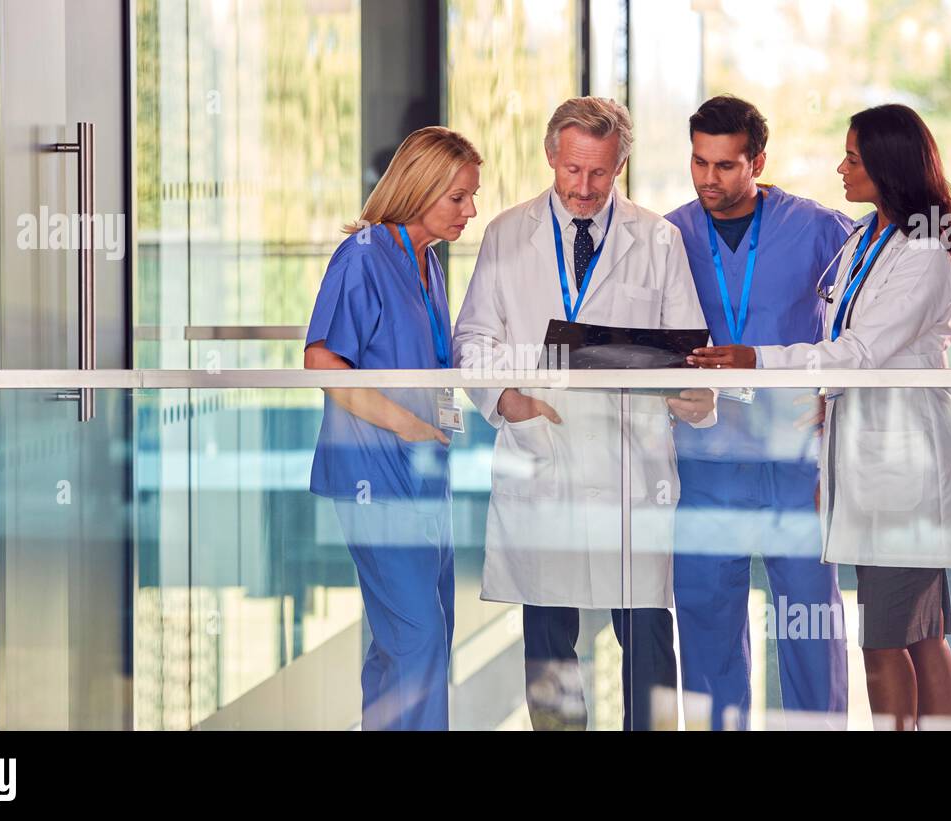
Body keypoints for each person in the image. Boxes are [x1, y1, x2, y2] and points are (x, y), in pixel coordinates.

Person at [688, 104, 951, 731]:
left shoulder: (927, 249)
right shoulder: (867, 237)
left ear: (887, 166)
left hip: (906, 457)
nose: (840, 168)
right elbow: (842, 330)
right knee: (910, 630)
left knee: (897, 636)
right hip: (860, 451)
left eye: (853, 158)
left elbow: (861, 351)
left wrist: (755, 359)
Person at [454, 96, 713, 731]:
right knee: (548, 640)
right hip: (545, 456)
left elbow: (686, 349)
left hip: (633, 462)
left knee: (647, 637)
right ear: (551, 156)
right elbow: (473, 341)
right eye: (572, 170)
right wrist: (506, 402)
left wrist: (691, 394)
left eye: (600, 173)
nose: (584, 188)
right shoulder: (506, 235)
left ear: (620, 165)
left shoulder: (657, 237)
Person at [665, 95, 852, 730]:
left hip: (794, 453)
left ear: (758, 162)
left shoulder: (819, 227)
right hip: (704, 457)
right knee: (707, 616)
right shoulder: (668, 235)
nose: (708, 179)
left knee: (809, 619)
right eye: (698, 163)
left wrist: (838, 394)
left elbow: (864, 319)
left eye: (724, 165)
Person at [304, 126, 482, 731]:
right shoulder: (362, 256)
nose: (471, 210)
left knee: (406, 639)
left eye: (472, 196)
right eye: (457, 197)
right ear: (420, 188)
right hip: (372, 476)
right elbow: (324, 363)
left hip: (425, 472)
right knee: (420, 637)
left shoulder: (427, 262)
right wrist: (407, 425)